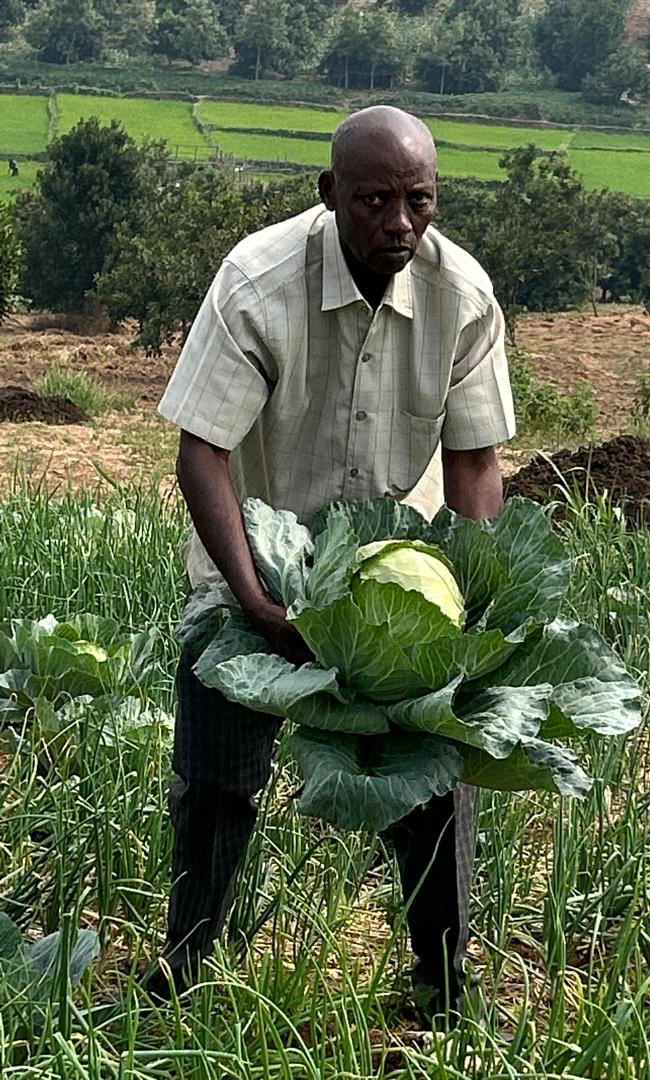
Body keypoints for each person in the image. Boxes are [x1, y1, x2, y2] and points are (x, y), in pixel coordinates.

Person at [149, 105, 515, 1020]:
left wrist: (469, 600)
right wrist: (255, 599)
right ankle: (183, 974)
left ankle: (444, 988)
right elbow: (203, 452)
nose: (400, 222)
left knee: (433, 788)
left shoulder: (462, 297)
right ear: (330, 194)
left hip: (391, 594)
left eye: (419, 200)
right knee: (217, 780)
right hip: (256, 573)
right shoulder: (258, 282)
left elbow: (474, 463)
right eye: (374, 200)